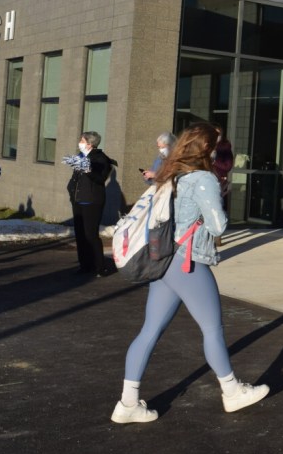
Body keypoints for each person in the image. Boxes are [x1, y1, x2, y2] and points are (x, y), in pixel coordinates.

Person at [112, 123, 268, 424]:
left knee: (149, 331)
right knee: (212, 328)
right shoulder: (203, 179)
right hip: (188, 261)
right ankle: (232, 391)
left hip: (164, 260)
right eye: (214, 145)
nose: (215, 149)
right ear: (206, 148)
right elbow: (218, 225)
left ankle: (128, 403)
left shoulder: (171, 173)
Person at [65, 131, 116, 276]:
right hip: (78, 200)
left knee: (90, 235)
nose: (79, 142)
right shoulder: (81, 156)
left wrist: (88, 170)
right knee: (80, 234)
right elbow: (75, 177)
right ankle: (85, 265)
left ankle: (100, 267)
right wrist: (70, 189)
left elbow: (100, 179)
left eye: (82, 140)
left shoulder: (101, 158)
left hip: (92, 201)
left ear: (90, 144)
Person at [213, 126, 234, 211]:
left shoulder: (224, 148)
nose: (215, 136)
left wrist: (214, 162)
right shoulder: (205, 146)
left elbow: (227, 166)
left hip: (219, 181)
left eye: (218, 134)